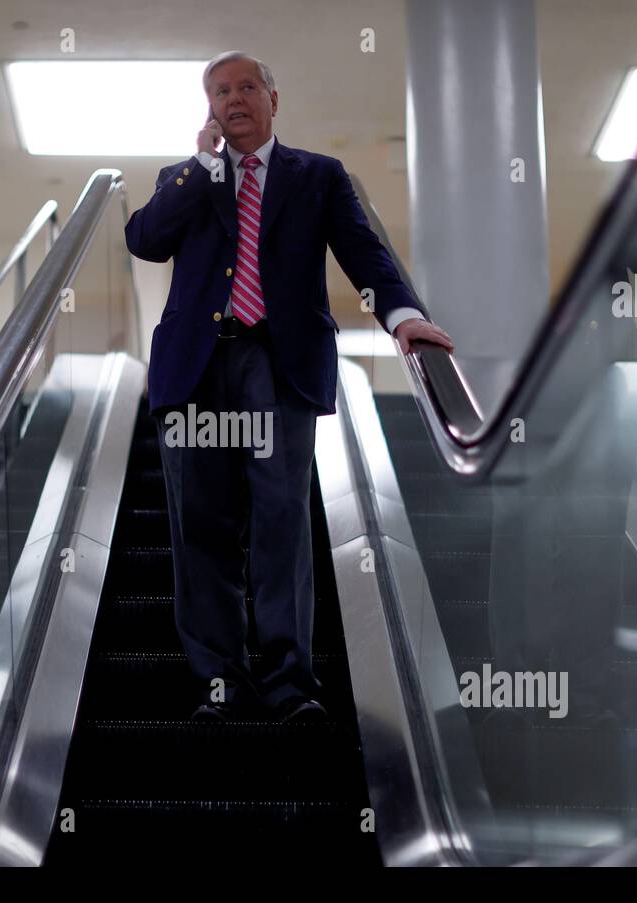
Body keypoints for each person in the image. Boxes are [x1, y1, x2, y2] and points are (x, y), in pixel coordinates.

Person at [125, 51, 454, 722]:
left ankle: (288, 683)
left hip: (278, 364)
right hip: (195, 371)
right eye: (220, 90)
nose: (234, 97)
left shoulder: (319, 177)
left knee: (280, 518)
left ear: (275, 99)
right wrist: (200, 167)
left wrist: (405, 317)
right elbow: (145, 241)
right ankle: (220, 680)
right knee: (201, 525)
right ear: (209, 107)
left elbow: (365, 253)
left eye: (247, 86)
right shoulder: (185, 178)